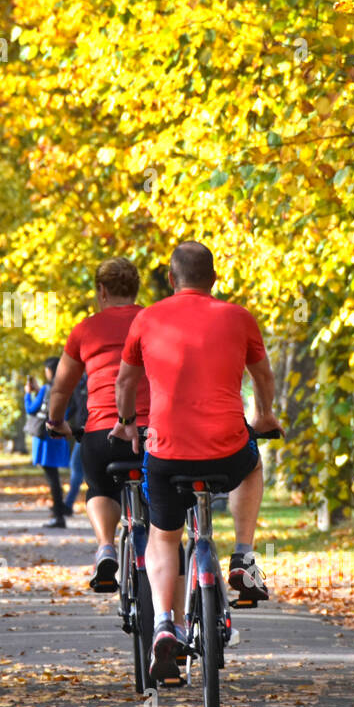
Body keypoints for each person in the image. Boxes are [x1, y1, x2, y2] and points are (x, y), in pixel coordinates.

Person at [112, 241, 279, 681]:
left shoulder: (147, 318)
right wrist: (263, 415)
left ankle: (165, 623)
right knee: (252, 462)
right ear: (214, 279)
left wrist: (128, 423)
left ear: (170, 279)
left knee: (165, 538)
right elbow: (262, 375)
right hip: (226, 447)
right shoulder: (238, 317)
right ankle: (243, 556)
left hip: (166, 451)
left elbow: (125, 380)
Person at [46, 259, 150, 589]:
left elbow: (61, 387)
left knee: (100, 485)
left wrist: (56, 422)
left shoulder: (85, 329)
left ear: (101, 291)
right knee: (163, 494)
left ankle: (106, 545)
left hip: (103, 433)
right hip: (155, 432)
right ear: (136, 289)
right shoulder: (155, 321)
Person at [25, 359, 70, 529]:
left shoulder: (46, 388)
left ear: (50, 371)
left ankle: (58, 515)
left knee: (52, 478)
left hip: (44, 438)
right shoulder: (63, 387)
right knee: (54, 476)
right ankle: (59, 511)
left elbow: (31, 409)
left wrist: (28, 394)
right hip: (58, 435)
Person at [62, 373, 89, 516]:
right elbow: (74, 405)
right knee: (77, 467)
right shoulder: (78, 382)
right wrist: (60, 419)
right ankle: (68, 504)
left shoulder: (95, 378)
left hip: (91, 429)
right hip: (80, 431)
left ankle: (68, 504)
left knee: (77, 466)